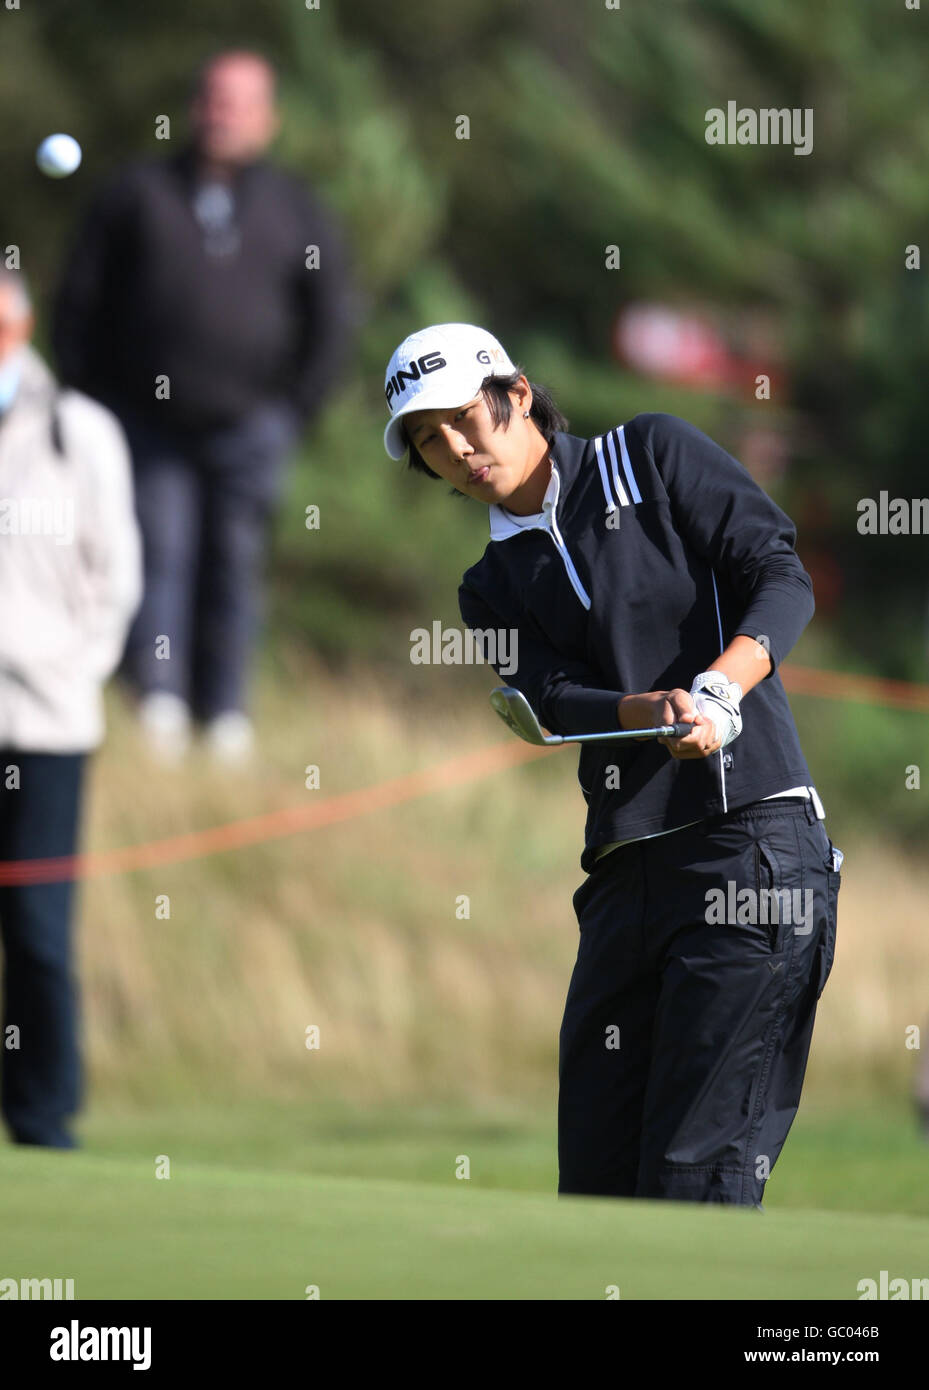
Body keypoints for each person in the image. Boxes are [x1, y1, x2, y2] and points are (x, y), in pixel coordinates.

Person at [381, 321, 843, 1206]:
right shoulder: (489, 585)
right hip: (625, 877)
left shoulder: (649, 455)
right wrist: (648, 712)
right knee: (593, 1192)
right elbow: (552, 700)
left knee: (689, 1184)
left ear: (514, 393)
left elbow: (779, 573)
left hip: (747, 848)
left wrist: (718, 687)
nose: (456, 450)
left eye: (463, 419)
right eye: (428, 443)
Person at [52, 49, 355, 761]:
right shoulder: (136, 193)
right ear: (194, 107)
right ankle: (154, 704)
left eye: (241, 103)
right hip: (147, 424)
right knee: (155, 557)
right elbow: (79, 307)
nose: (224, 114)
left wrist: (292, 412)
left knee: (232, 565)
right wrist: (95, 412)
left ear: (268, 119)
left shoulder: (296, 207)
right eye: (214, 99)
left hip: (251, 428)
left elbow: (331, 318)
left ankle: (224, 717)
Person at [0, 266, 142, 1147]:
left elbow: (117, 579)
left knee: (39, 934)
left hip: (47, 724)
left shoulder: (76, 429)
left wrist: (71, 671)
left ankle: (45, 1117)